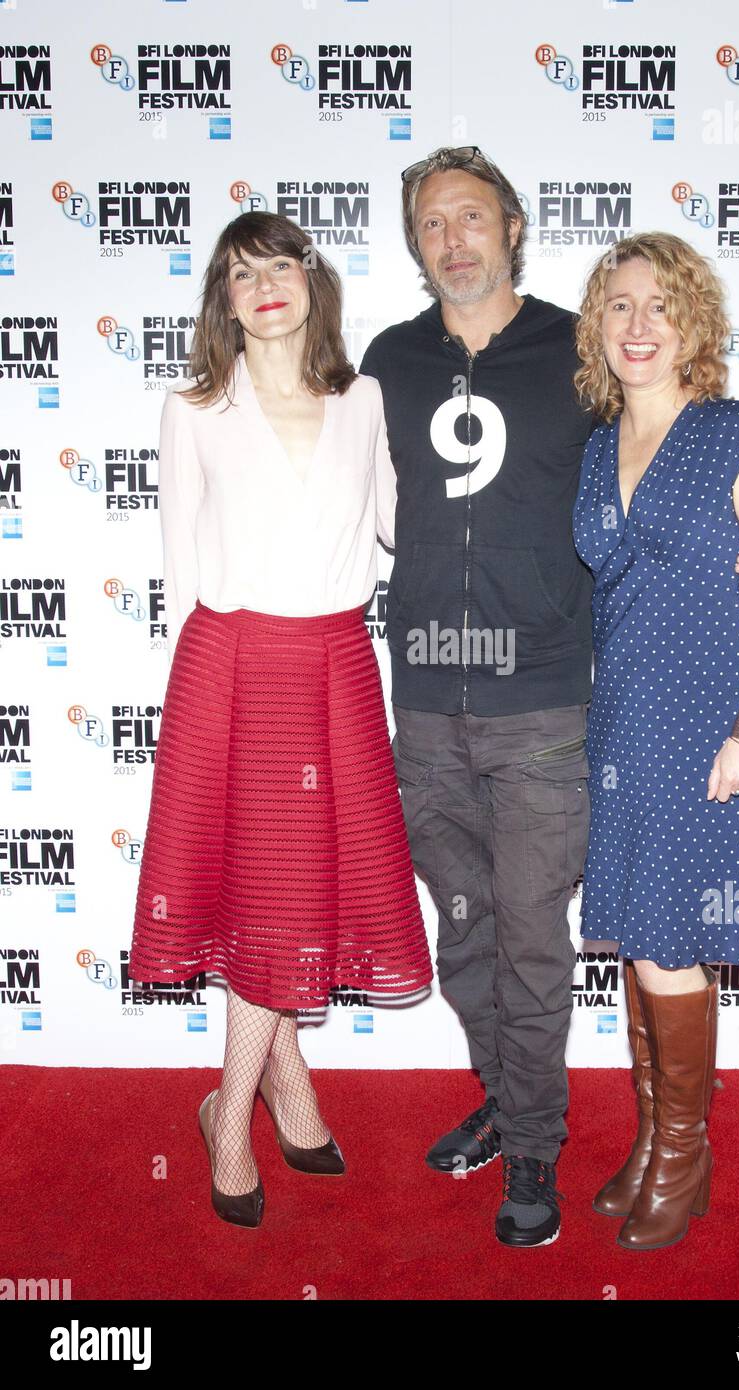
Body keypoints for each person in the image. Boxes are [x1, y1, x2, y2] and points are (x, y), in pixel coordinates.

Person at [359, 149, 739, 1248]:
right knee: (467, 935)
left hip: (545, 711)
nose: (453, 238)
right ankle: (504, 1092)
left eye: (472, 216)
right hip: (425, 702)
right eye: (432, 221)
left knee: (535, 938)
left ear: (514, 226)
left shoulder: (575, 361)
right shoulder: (387, 360)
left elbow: (673, 450)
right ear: (415, 241)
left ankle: (534, 1145)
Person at [127, 211, 433, 1229]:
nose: (265, 283)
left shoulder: (366, 399)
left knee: (289, 897)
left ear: (313, 279)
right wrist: (197, 702)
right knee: (272, 897)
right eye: (241, 271)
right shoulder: (194, 408)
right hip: (233, 669)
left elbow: (404, 524)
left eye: (282, 263)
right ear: (223, 298)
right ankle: (238, 1119)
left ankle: (256, 1090)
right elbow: (178, 574)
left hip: (337, 666)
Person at [571, 231, 739, 1251]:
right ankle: (660, 1141)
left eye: (660, 306)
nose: (639, 326)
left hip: (710, 719)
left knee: (670, 946)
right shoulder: (593, 448)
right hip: (622, 717)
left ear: (693, 324)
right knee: (636, 939)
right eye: (620, 305)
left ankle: (684, 1153)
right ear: (599, 326)